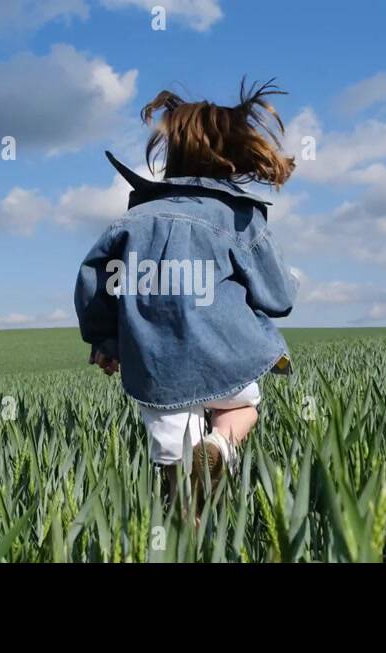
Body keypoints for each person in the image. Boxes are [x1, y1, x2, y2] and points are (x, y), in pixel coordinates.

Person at [74, 79, 298, 499]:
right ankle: (220, 445)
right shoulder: (239, 217)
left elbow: (94, 288)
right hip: (228, 361)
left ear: (171, 156)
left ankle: (186, 528)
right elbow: (278, 298)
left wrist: (105, 341)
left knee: (175, 470)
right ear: (232, 156)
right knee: (242, 410)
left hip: (160, 371)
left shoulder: (130, 224)